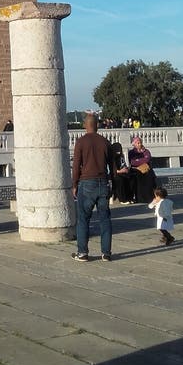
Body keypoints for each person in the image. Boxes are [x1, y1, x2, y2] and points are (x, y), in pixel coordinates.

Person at [71, 112, 113, 262]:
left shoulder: (81, 142)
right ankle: (106, 253)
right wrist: (112, 184)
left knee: (83, 219)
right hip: (103, 182)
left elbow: (76, 166)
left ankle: (82, 253)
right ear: (98, 125)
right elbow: (112, 167)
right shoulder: (105, 142)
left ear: (84, 126)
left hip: (87, 182)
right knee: (105, 218)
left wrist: (74, 184)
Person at [128, 136, 156, 203]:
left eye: (140, 142)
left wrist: (138, 161)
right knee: (135, 176)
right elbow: (132, 162)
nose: (139, 144)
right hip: (136, 170)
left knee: (149, 175)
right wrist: (141, 161)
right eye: (137, 143)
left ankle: (149, 197)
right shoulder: (131, 152)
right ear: (134, 144)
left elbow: (147, 159)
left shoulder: (146, 151)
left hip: (146, 169)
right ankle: (138, 198)